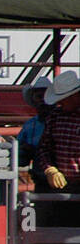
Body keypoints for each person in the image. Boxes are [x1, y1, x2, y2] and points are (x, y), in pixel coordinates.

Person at [36, 71, 80, 223]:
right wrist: (50, 169)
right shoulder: (55, 116)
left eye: (62, 100)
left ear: (74, 96)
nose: (59, 103)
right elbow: (44, 147)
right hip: (63, 185)